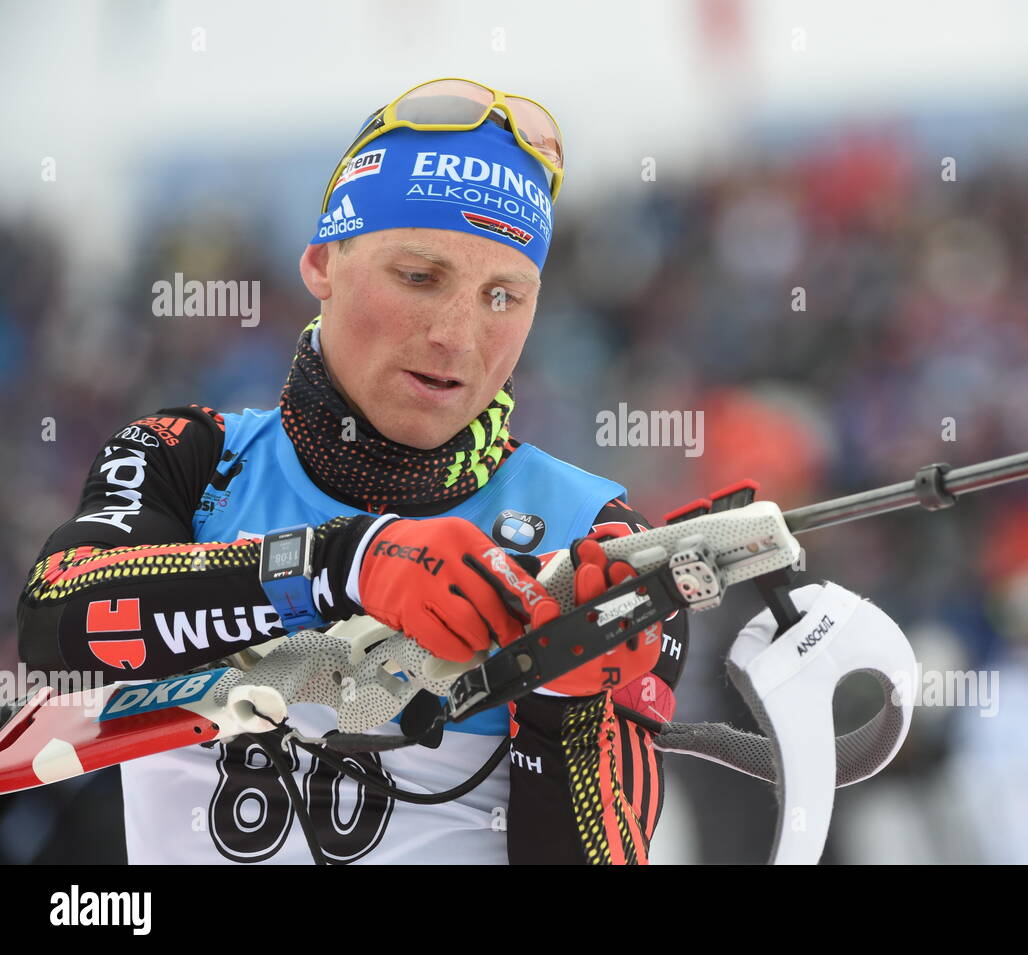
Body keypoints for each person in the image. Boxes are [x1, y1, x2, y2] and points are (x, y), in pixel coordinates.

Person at [16, 78, 687, 865]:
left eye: (502, 295)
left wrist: (564, 701)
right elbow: (61, 626)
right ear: (322, 261)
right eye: (419, 275)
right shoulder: (187, 458)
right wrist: (345, 564)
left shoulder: (594, 535)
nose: (456, 335)